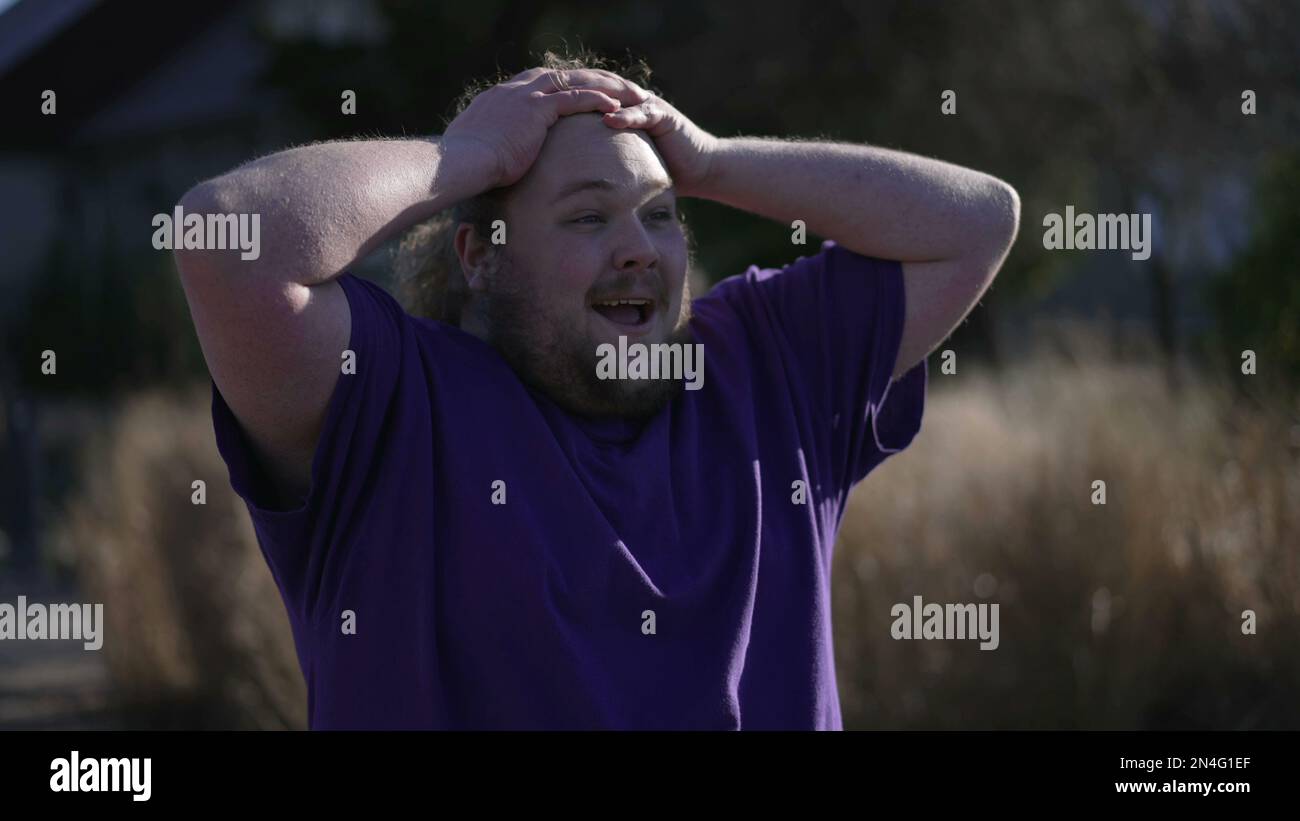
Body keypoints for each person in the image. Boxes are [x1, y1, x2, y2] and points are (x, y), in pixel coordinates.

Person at [174, 53, 1019, 729]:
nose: (639, 249)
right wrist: (462, 157)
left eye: (658, 213)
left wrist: (713, 160)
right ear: (479, 255)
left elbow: (978, 220)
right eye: (587, 217)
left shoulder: (761, 369)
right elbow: (228, 241)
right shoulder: (393, 406)